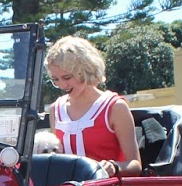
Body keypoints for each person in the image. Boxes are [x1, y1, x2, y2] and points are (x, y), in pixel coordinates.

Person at [44, 35, 141, 178]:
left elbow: (135, 165)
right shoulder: (55, 110)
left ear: (85, 70)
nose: (62, 85)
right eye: (55, 79)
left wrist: (114, 166)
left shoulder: (115, 107)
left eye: (67, 77)